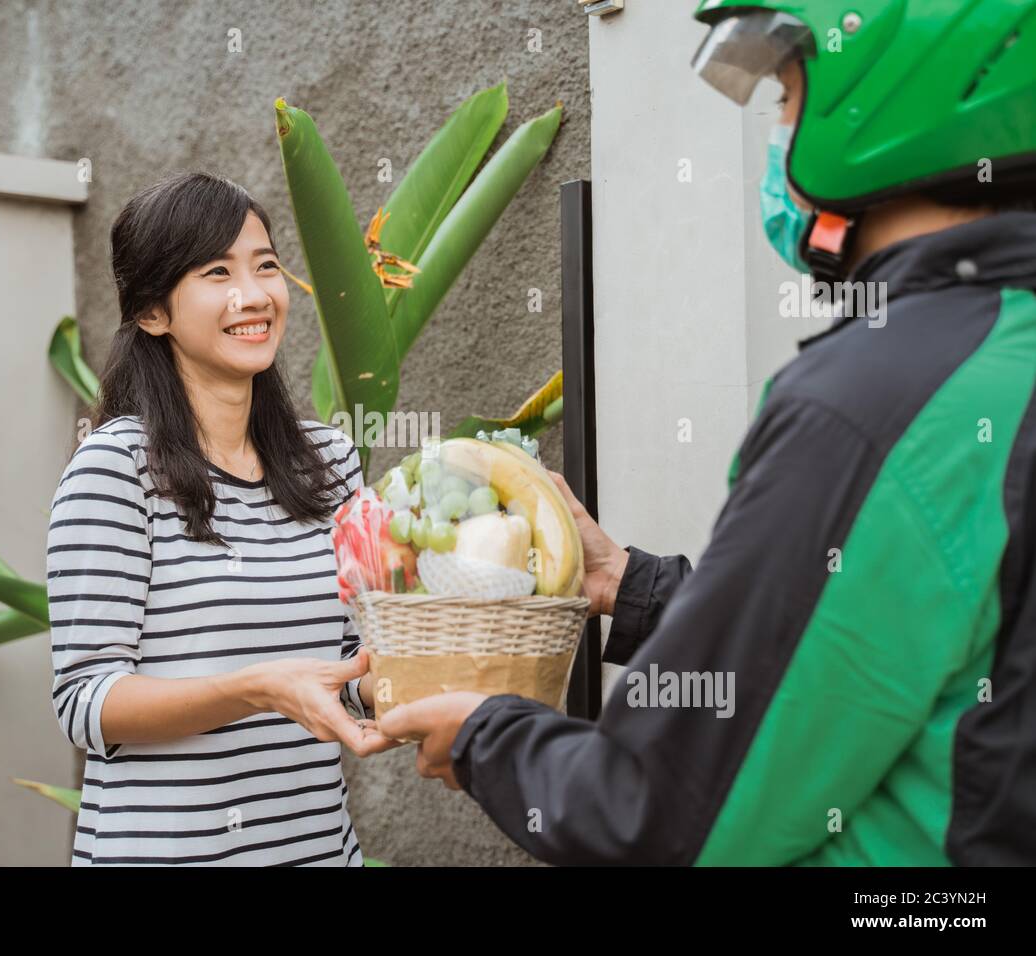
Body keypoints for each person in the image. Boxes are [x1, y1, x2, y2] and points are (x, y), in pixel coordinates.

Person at [371, 1, 1036, 865]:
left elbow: (666, 816)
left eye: (787, 100)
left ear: (878, 103)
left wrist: (483, 737)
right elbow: (861, 653)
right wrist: (626, 582)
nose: (779, 134)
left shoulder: (877, 400)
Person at [47, 172, 385, 866]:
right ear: (152, 312)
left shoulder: (332, 463)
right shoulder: (114, 470)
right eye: (216, 272)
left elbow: (354, 666)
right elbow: (88, 702)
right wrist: (257, 689)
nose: (254, 295)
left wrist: (398, 682)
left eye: (266, 265)